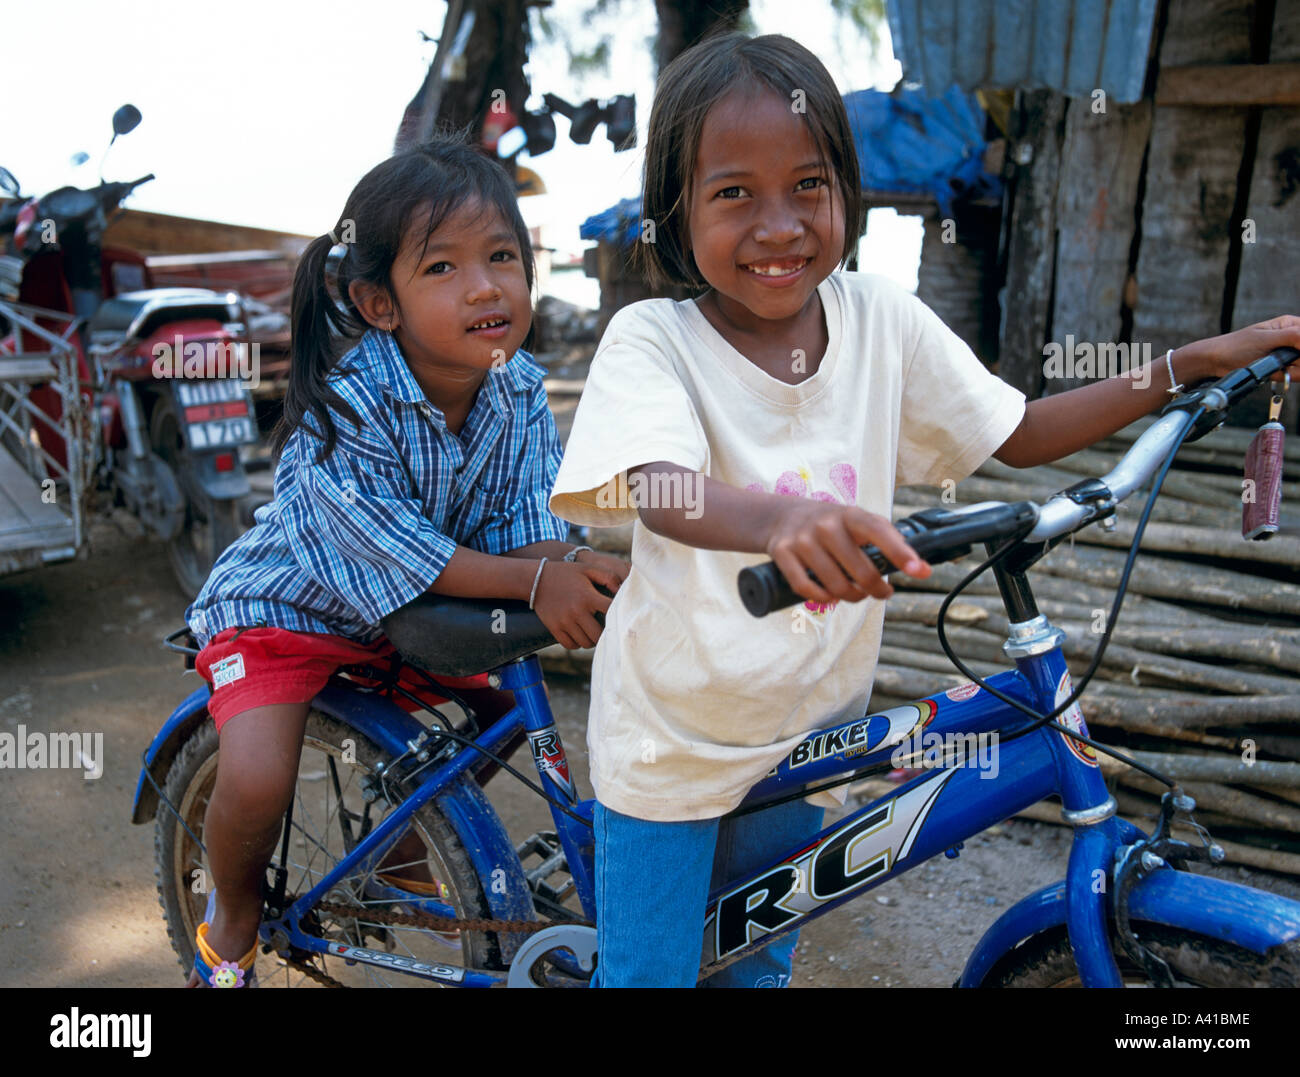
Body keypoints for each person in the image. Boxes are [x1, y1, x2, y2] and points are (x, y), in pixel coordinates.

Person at [549, 31, 1300, 988]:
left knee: (751, 966)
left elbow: (1018, 427)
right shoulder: (652, 338)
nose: (779, 225)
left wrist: (1179, 368)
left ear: (848, 195)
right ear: (674, 210)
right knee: (650, 976)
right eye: (734, 192)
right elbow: (658, 486)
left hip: (810, 728)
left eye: (809, 185)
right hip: (676, 734)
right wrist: (780, 523)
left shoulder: (880, 319)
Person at [181, 135, 629, 987]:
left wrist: (580, 560)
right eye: (443, 269)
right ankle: (230, 913)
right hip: (291, 611)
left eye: (502, 256)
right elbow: (408, 553)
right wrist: (539, 579)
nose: (487, 285)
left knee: (497, 709)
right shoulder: (350, 404)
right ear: (379, 304)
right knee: (259, 769)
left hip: (408, 616)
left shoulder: (518, 387)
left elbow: (519, 524)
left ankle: (392, 849)